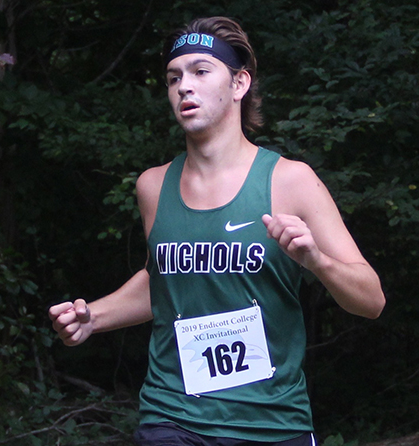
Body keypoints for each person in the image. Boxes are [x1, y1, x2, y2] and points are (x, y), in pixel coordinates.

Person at [49, 16, 385, 446]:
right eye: (174, 77)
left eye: (201, 71)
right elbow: (163, 282)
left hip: (271, 423)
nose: (184, 86)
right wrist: (93, 317)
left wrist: (316, 260)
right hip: (172, 417)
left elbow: (371, 300)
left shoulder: (290, 181)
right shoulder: (153, 186)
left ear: (239, 83)